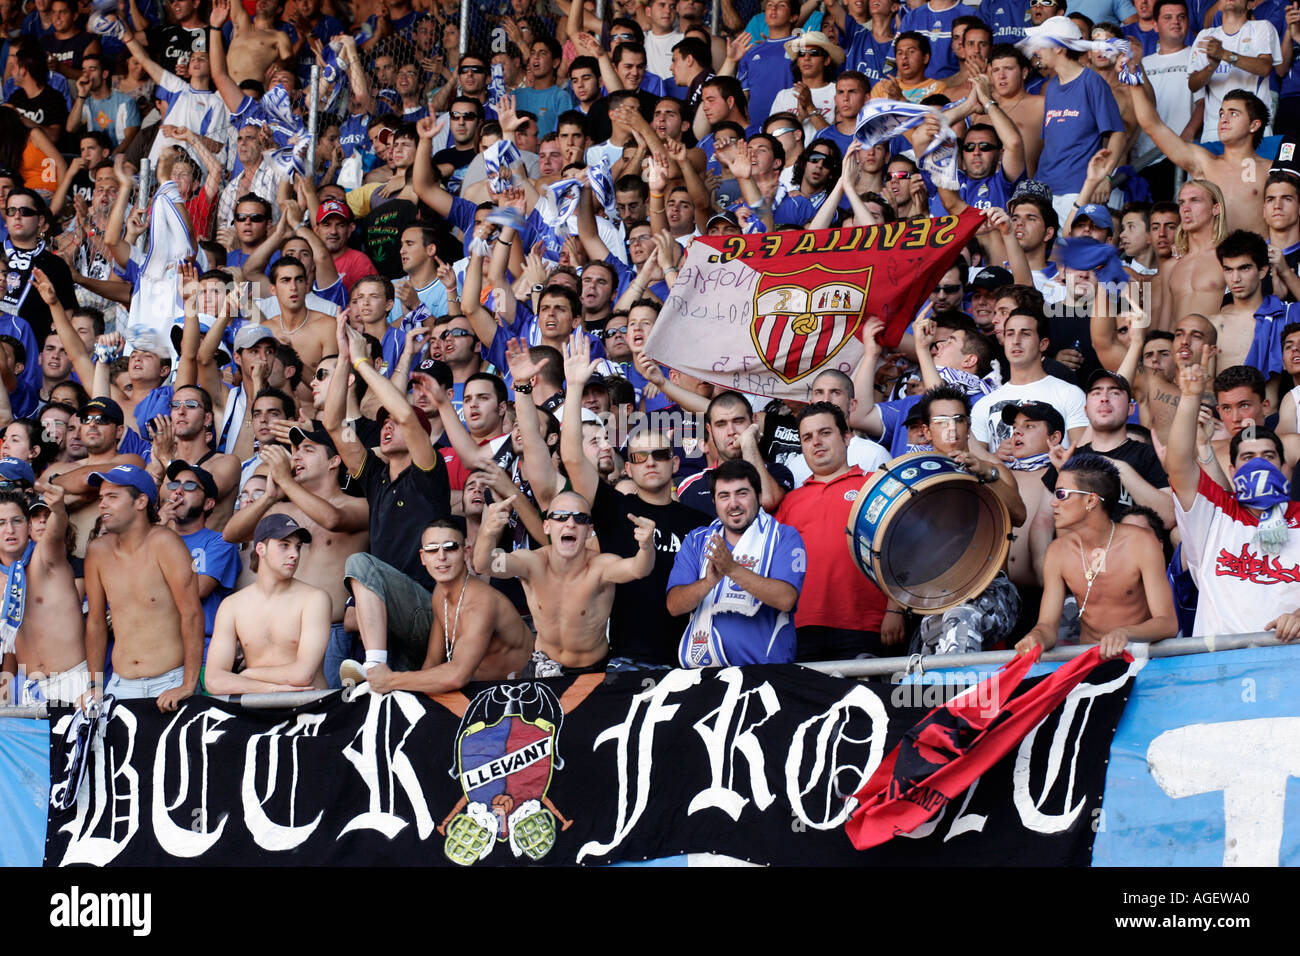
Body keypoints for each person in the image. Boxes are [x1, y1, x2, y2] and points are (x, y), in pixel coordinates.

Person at [558, 336, 708, 669]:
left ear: (676, 463)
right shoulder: (613, 508)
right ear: (628, 467)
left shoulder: (698, 522)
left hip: (690, 662)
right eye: (640, 456)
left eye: (660, 454)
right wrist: (574, 388)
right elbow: (571, 456)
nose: (651, 462)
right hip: (626, 659)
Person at [221, 427, 369, 689]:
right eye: (295, 451)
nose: (296, 457)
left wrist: (285, 481)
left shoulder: (358, 505)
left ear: (335, 461)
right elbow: (232, 534)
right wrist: (268, 497)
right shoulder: (281, 508)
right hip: (277, 631)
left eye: (308, 450)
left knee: (322, 718)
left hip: (331, 631)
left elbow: (332, 519)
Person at [475, 488, 655, 675]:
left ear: (589, 531)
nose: (570, 523)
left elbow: (639, 569)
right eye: (560, 516)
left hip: (592, 671)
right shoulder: (532, 563)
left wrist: (647, 547)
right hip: (544, 666)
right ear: (546, 526)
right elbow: (484, 565)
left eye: (580, 518)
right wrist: (487, 532)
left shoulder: (600, 567)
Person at [1015, 453, 1178, 658]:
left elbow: (1168, 623)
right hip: (1089, 661)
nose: (1053, 503)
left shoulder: (1141, 543)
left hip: (1137, 657)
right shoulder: (1058, 552)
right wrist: (1036, 637)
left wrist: (1125, 634)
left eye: (1062, 494)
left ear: (1091, 500)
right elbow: (1047, 625)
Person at [775, 402, 900, 660]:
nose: (816, 442)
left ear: (846, 437)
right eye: (807, 437)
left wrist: (895, 610)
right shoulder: (789, 501)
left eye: (825, 433)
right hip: (800, 628)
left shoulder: (875, 486)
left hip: (866, 624)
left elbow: (900, 549)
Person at [82, 463, 204, 711]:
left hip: (170, 682)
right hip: (120, 684)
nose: (102, 504)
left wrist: (188, 684)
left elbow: (192, 613)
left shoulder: (166, 543)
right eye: (101, 497)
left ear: (140, 502)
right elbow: (95, 622)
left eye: (112, 497)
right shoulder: (97, 551)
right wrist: (94, 685)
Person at [364, 519, 534, 694]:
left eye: (450, 547)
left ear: (466, 552)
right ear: (423, 557)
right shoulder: (441, 593)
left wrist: (391, 680)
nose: (441, 556)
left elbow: (457, 676)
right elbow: (432, 661)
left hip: (524, 690)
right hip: (482, 691)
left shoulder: (481, 604)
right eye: (432, 549)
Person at [666, 458, 805, 667]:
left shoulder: (783, 536)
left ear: (758, 496)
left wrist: (732, 569)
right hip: (706, 675)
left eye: (742, 493)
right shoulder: (697, 540)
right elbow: (674, 606)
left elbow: (786, 599)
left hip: (766, 672)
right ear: (714, 502)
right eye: (724, 496)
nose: (733, 504)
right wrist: (708, 582)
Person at [203, 513, 332, 694]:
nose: (294, 554)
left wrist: (247, 674)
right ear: (261, 549)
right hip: (257, 709)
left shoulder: (315, 599)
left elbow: (302, 675)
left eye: (298, 547)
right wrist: (269, 689)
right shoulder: (232, 606)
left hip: (308, 708)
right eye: (284, 545)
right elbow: (213, 681)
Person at [0, 483, 86, 705]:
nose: (9, 529)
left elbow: (55, 532)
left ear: (29, 526)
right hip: (29, 689)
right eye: (1, 523)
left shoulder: (45, 556)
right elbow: (11, 641)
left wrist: (57, 509)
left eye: (16, 521)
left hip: (72, 683)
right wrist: (4, 684)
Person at [159, 460, 240, 659]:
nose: (178, 492)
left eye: (189, 486)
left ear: (208, 503)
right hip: (157, 648)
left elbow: (197, 589)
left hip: (202, 652)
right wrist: (156, 529)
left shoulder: (220, 542)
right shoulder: (154, 539)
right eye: (174, 485)